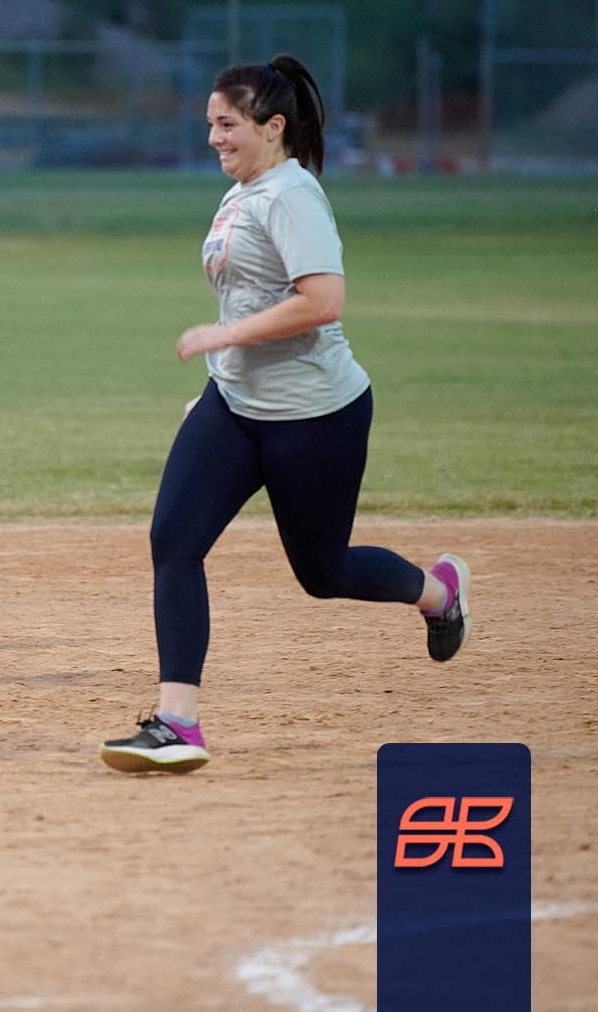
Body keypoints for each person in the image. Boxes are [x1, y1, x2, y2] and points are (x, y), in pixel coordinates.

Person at [100, 55, 470, 774]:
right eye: (211, 123)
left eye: (227, 124)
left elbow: (323, 301)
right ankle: (177, 722)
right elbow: (246, 295)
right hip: (236, 407)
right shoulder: (245, 191)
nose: (214, 137)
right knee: (174, 540)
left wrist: (224, 338)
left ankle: (438, 592)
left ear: (273, 127)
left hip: (316, 415)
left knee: (323, 571)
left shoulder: (292, 195)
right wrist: (220, 378)